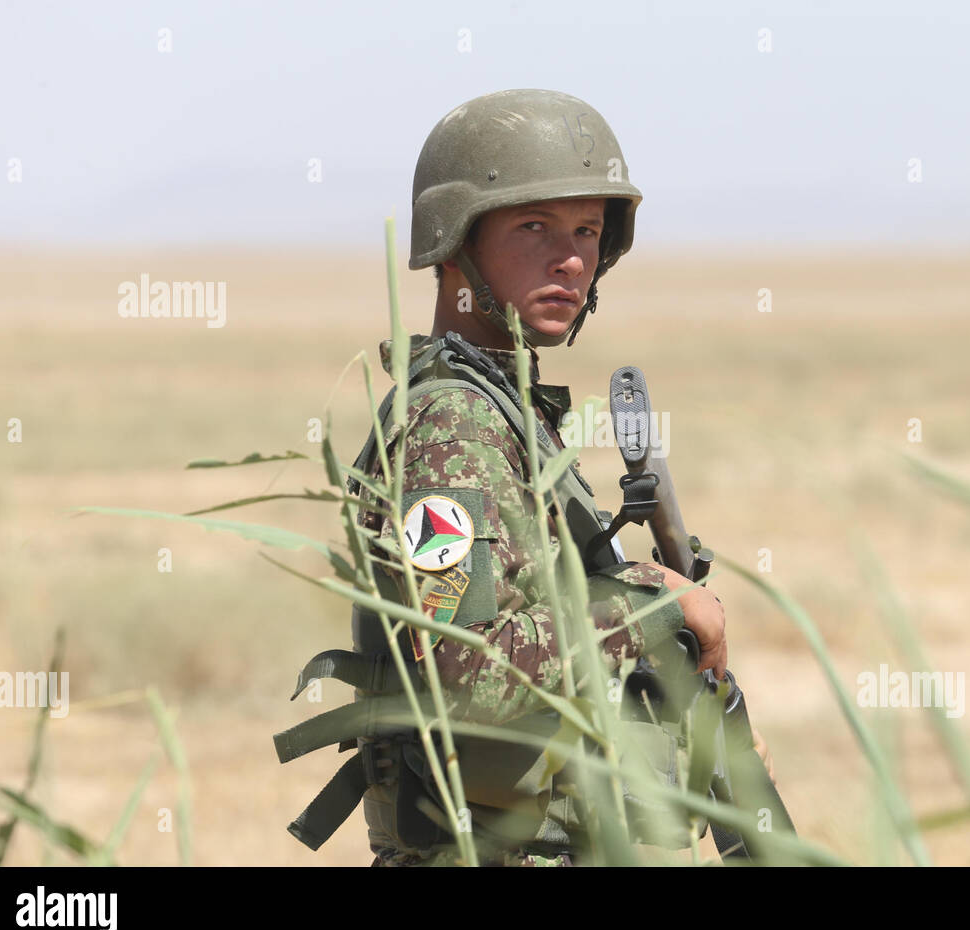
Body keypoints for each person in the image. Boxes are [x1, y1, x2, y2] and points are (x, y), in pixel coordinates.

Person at [281, 89, 772, 866]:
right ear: (456, 242)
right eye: (533, 227)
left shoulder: (505, 412)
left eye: (586, 230)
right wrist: (655, 602)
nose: (571, 258)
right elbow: (467, 670)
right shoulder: (453, 426)